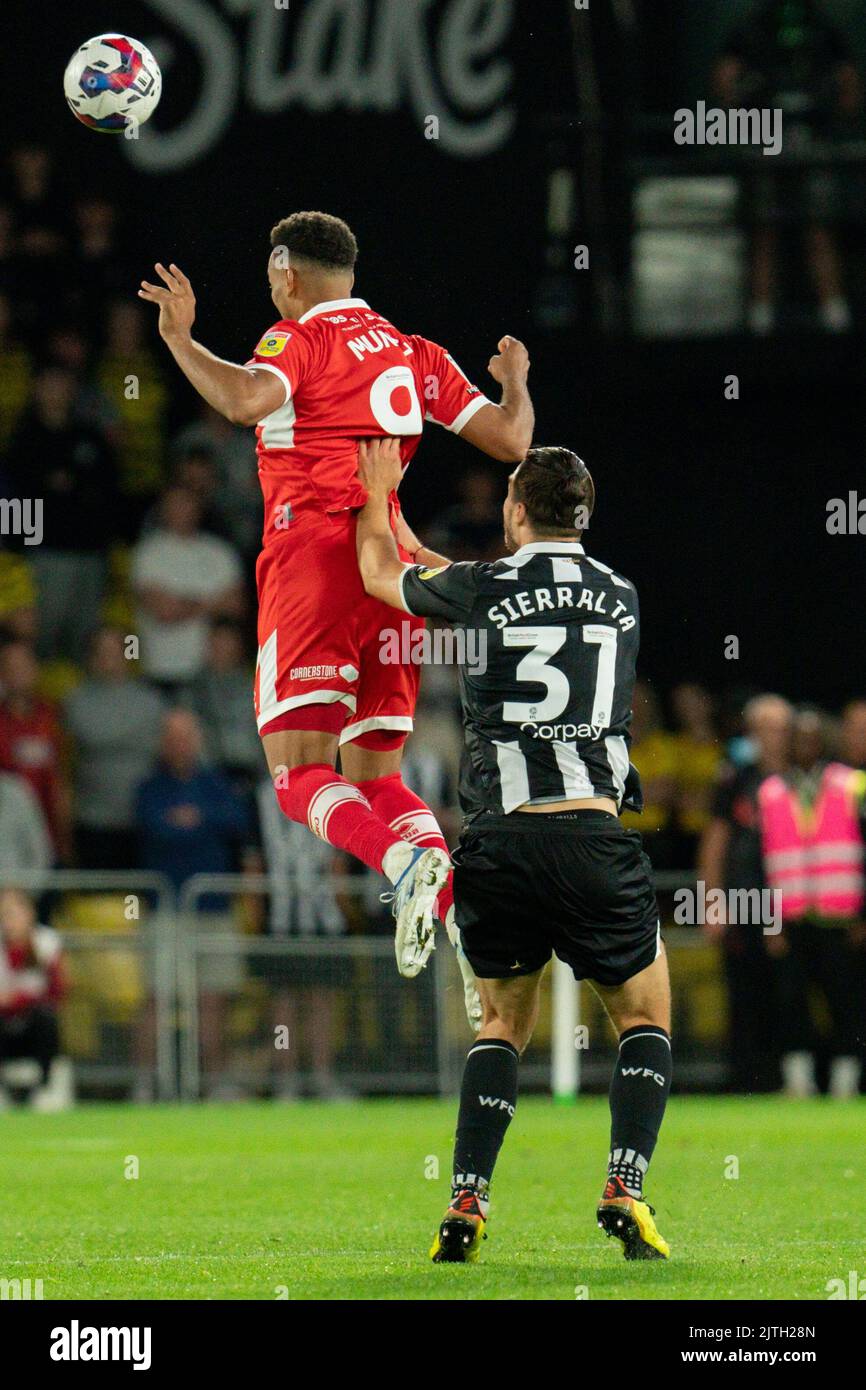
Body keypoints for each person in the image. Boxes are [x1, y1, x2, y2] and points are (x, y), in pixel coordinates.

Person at [138, 210, 534, 990]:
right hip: (390, 571)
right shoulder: (417, 354)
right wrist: (516, 383)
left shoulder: (299, 340)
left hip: (313, 564)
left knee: (297, 776)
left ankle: (398, 865)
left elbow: (247, 400)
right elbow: (513, 443)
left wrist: (181, 340)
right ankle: (450, 901)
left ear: (287, 269)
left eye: (270, 273)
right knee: (379, 778)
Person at [357, 439, 671, 1264]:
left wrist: (375, 497)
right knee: (644, 1015)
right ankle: (625, 1184)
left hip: (498, 840)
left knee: (500, 1024)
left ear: (515, 513)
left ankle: (467, 1200)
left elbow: (381, 574)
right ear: (586, 516)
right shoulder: (623, 595)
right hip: (592, 837)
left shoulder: (485, 585)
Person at [699, 694, 794, 1092]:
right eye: (764, 728)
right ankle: (744, 1079)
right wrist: (711, 901)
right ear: (752, 733)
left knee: (789, 993)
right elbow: (716, 839)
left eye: (779, 728)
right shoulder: (737, 778)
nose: (772, 736)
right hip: (746, 904)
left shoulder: (804, 777)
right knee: (743, 993)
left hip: (793, 905)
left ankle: (790, 1076)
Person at [63, 627, 166, 869]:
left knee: (139, 900)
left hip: (142, 818)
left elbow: (159, 747)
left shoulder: (152, 700)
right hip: (92, 819)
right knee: (97, 899)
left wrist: (103, 742)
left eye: (114, 651)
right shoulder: (75, 700)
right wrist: (135, 737)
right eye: (101, 652)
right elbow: (91, 733)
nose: (107, 658)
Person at [130, 484, 245, 694]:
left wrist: (184, 603)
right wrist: (214, 601)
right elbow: (164, 611)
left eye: (186, 503)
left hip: (213, 671)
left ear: (198, 508)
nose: (180, 510)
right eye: (173, 504)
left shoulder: (221, 552)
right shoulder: (148, 552)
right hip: (162, 667)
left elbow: (236, 607)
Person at [0, 886, 71, 1110]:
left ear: (29, 913)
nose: (8, 921)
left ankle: (45, 1087)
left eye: (12, 913)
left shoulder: (47, 943)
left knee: (46, 1018)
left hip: (33, 1028)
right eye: (3, 914)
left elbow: (58, 992)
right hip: (4, 1028)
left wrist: (18, 999)